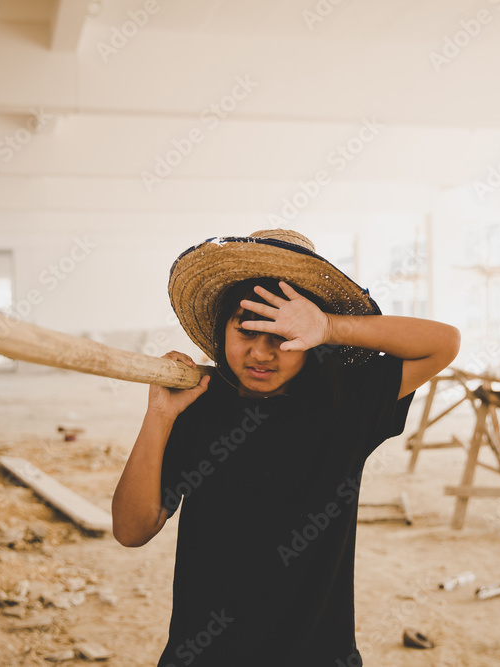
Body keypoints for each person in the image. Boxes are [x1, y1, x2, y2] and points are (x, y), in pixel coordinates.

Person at [112, 229, 460, 666]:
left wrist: (331, 325)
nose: (261, 353)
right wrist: (159, 416)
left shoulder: (346, 404)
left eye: (281, 335)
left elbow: (444, 343)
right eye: (246, 332)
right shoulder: (198, 406)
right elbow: (131, 530)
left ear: (311, 343)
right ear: (222, 331)